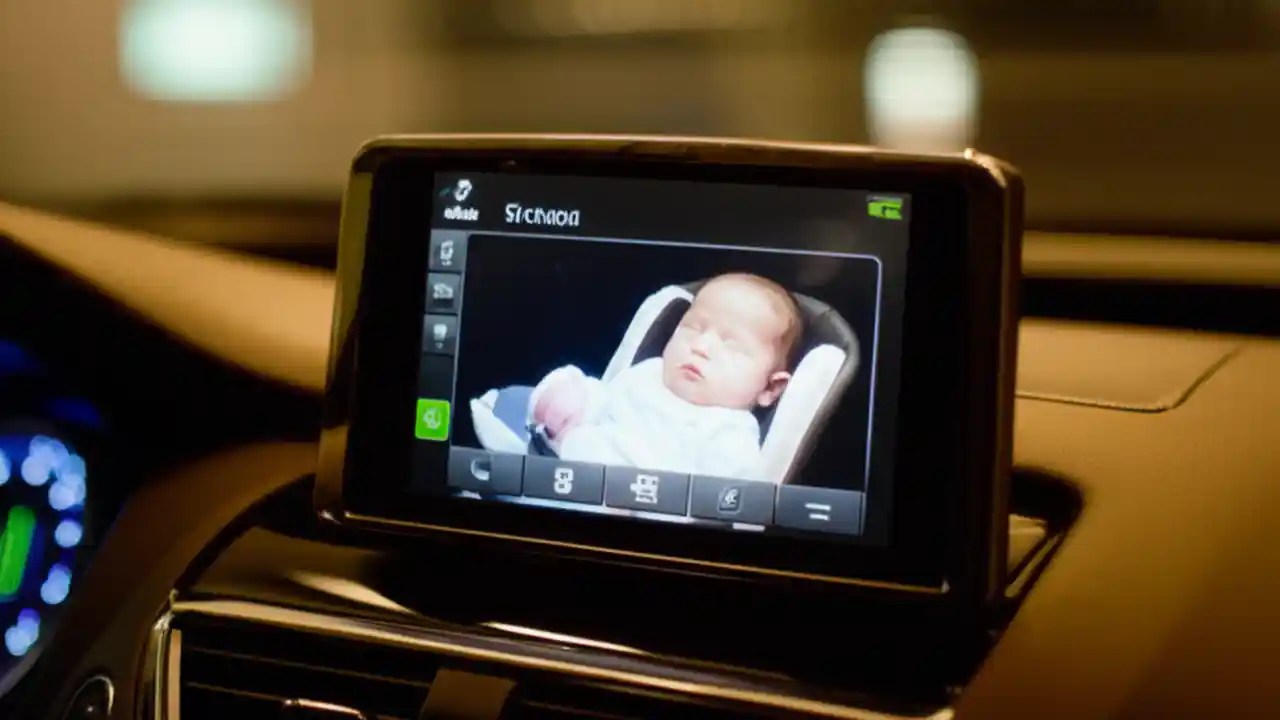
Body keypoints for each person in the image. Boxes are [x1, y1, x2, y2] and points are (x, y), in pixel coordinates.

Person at [528, 273, 801, 482]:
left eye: (732, 346)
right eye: (693, 328)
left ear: (770, 388)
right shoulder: (650, 372)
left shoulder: (729, 436)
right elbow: (604, 399)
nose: (701, 347)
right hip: (556, 457)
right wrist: (569, 394)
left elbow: (710, 507)